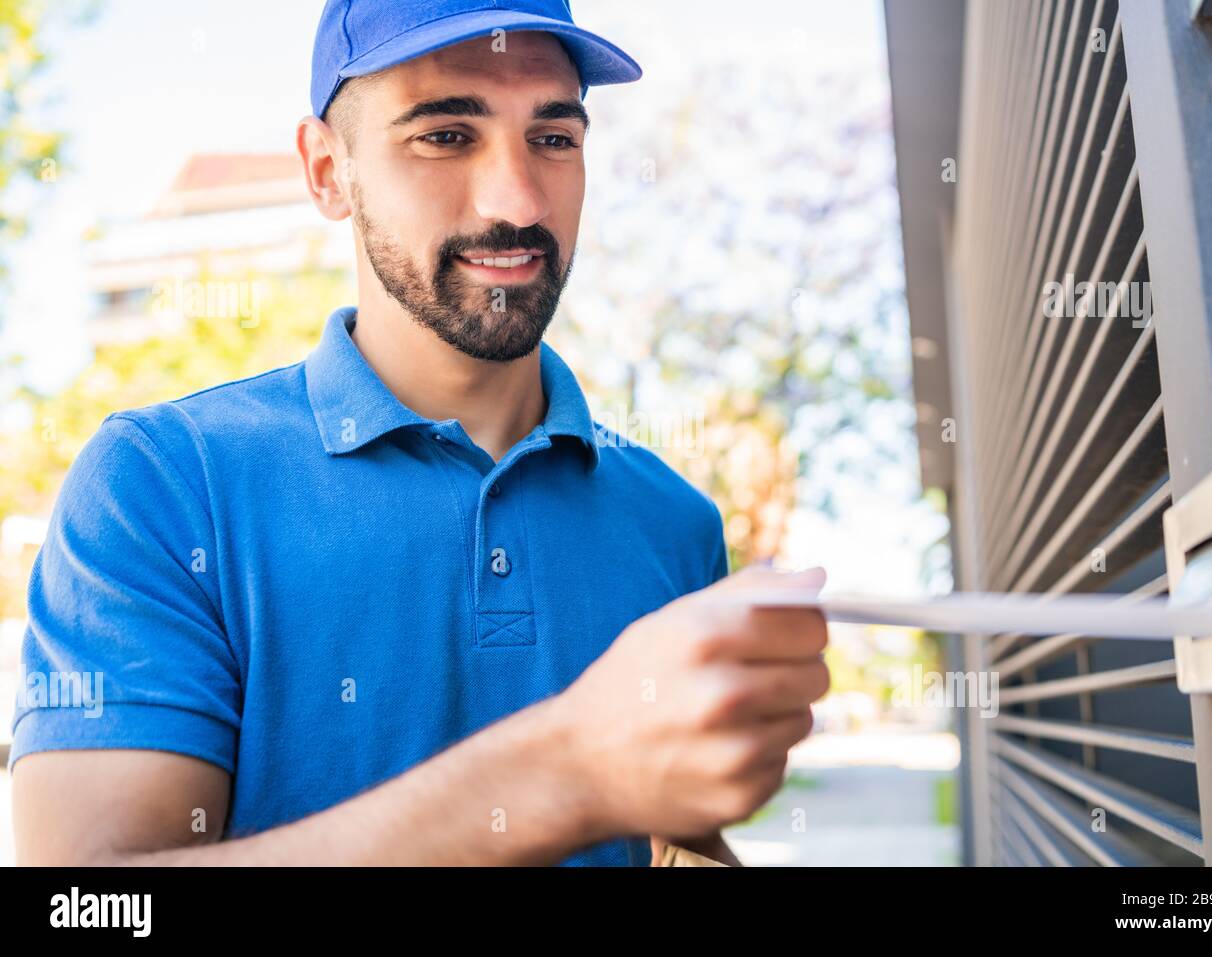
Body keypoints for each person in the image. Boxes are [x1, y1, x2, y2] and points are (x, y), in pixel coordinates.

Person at [10, 0, 830, 866]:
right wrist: (563, 773)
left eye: (553, 137)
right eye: (446, 135)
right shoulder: (163, 487)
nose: (517, 198)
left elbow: (664, 840)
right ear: (329, 171)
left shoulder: (674, 522)